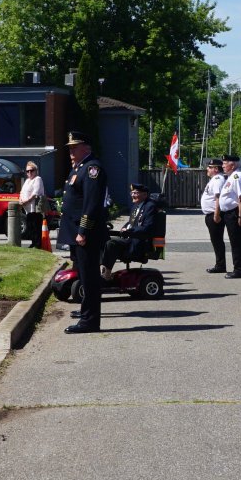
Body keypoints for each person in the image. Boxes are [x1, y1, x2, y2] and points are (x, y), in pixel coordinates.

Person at [62, 130, 110, 334]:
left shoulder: (92, 169)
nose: (71, 151)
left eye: (75, 147)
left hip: (86, 235)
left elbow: (91, 204)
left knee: (90, 278)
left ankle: (90, 321)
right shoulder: (79, 168)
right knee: (83, 275)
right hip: (76, 233)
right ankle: (86, 313)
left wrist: (83, 230)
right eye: (70, 148)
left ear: (87, 147)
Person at [102, 183, 162, 275]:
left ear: (144, 194)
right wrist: (124, 228)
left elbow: (148, 227)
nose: (133, 195)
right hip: (130, 239)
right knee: (103, 240)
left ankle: (107, 274)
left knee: (111, 244)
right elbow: (131, 223)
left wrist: (130, 231)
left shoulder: (150, 207)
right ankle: (103, 269)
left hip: (140, 243)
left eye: (136, 193)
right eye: (132, 193)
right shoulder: (136, 206)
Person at [218, 154, 241, 278]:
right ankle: (238, 267)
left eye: (225, 163)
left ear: (232, 165)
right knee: (234, 242)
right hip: (230, 213)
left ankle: (240, 270)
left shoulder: (238, 176)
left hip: (236, 213)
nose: (223, 166)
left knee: (238, 242)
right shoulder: (231, 176)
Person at [199, 159, 229, 274]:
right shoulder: (215, 179)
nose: (208, 169)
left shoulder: (217, 179)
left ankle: (220, 265)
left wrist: (216, 214)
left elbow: (218, 198)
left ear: (216, 169)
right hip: (210, 214)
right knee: (215, 240)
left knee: (217, 240)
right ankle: (220, 264)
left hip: (214, 214)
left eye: (210, 167)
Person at [18, 161, 46, 248]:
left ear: (36, 171)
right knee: (30, 227)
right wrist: (20, 200)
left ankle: (37, 245)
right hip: (27, 209)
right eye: (27, 171)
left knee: (36, 226)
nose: (29, 172)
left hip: (35, 208)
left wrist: (26, 201)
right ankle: (33, 243)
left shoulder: (38, 179)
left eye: (31, 170)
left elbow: (35, 193)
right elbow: (21, 192)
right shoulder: (27, 181)